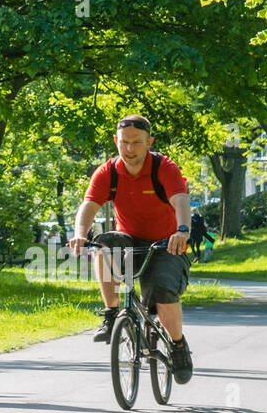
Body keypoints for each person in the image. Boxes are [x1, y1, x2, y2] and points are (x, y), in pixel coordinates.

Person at [69, 115, 195, 384]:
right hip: (129, 240)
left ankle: (178, 345)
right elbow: (89, 204)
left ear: (149, 142)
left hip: (166, 243)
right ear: (117, 141)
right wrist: (80, 234)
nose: (129, 149)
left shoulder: (164, 168)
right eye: (124, 142)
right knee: (102, 244)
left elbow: (180, 199)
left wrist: (182, 231)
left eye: (137, 143)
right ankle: (111, 313)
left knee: (162, 292)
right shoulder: (109, 171)